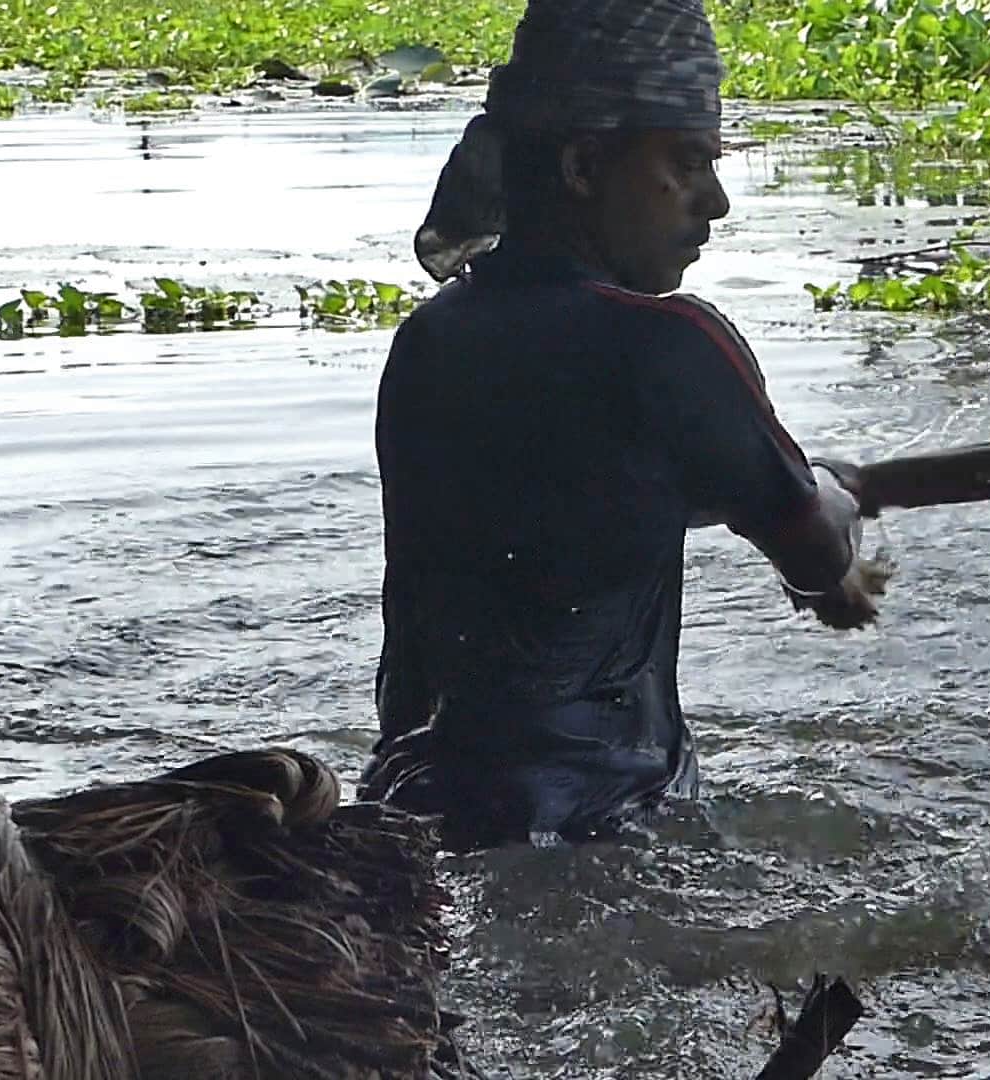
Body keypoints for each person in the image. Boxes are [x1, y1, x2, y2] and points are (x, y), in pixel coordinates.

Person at [357, 0, 891, 852]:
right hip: (608, 828)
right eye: (686, 163)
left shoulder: (432, 339)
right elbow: (820, 553)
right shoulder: (668, 343)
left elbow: (570, 513)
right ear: (582, 164)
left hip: (408, 815)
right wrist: (835, 485)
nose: (713, 202)